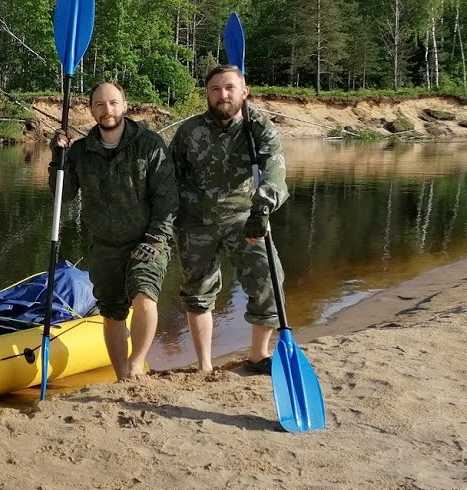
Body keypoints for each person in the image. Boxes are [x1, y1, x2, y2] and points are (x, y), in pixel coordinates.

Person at [49, 81, 178, 382]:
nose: (108, 110)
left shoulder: (149, 144)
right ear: (91, 110)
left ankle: (137, 363)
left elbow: (167, 197)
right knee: (112, 311)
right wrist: (59, 159)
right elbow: (62, 196)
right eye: (100, 104)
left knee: (144, 294)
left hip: (147, 239)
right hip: (104, 246)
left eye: (113, 103)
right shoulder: (81, 151)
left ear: (125, 105)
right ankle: (122, 377)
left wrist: (157, 238)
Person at [169, 64, 289, 375]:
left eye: (229, 88)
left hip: (244, 217)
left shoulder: (259, 128)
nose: (223, 95)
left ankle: (258, 355)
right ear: (206, 94)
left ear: (244, 92)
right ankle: (204, 365)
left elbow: (275, 170)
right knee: (197, 292)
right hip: (195, 221)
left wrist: (262, 209)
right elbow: (168, 177)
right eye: (215, 89)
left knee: (268, 278)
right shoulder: (188, 131)